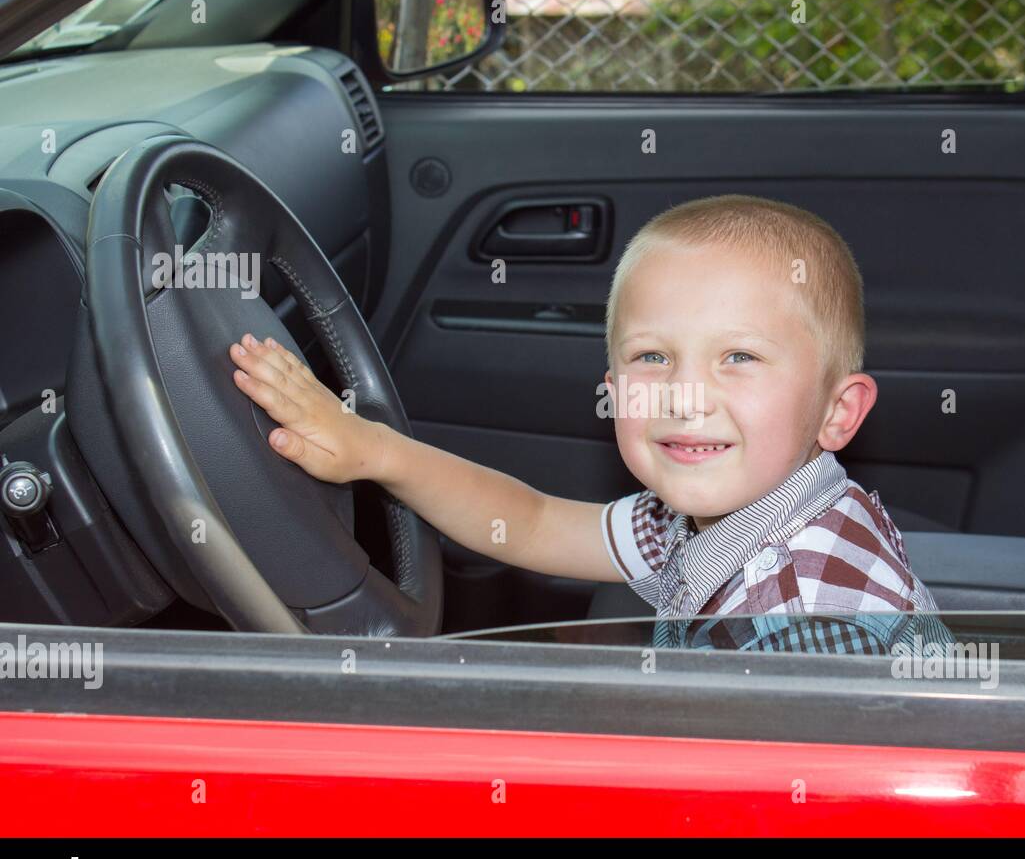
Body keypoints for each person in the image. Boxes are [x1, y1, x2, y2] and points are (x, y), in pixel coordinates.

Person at [229, 194, 953, 655]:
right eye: (652, 357)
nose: (683, 396)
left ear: (838, 412)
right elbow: (535, 521)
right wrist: (376, 453)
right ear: (612, 390)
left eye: (738, 356)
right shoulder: (721, 511)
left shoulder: (811, 626)